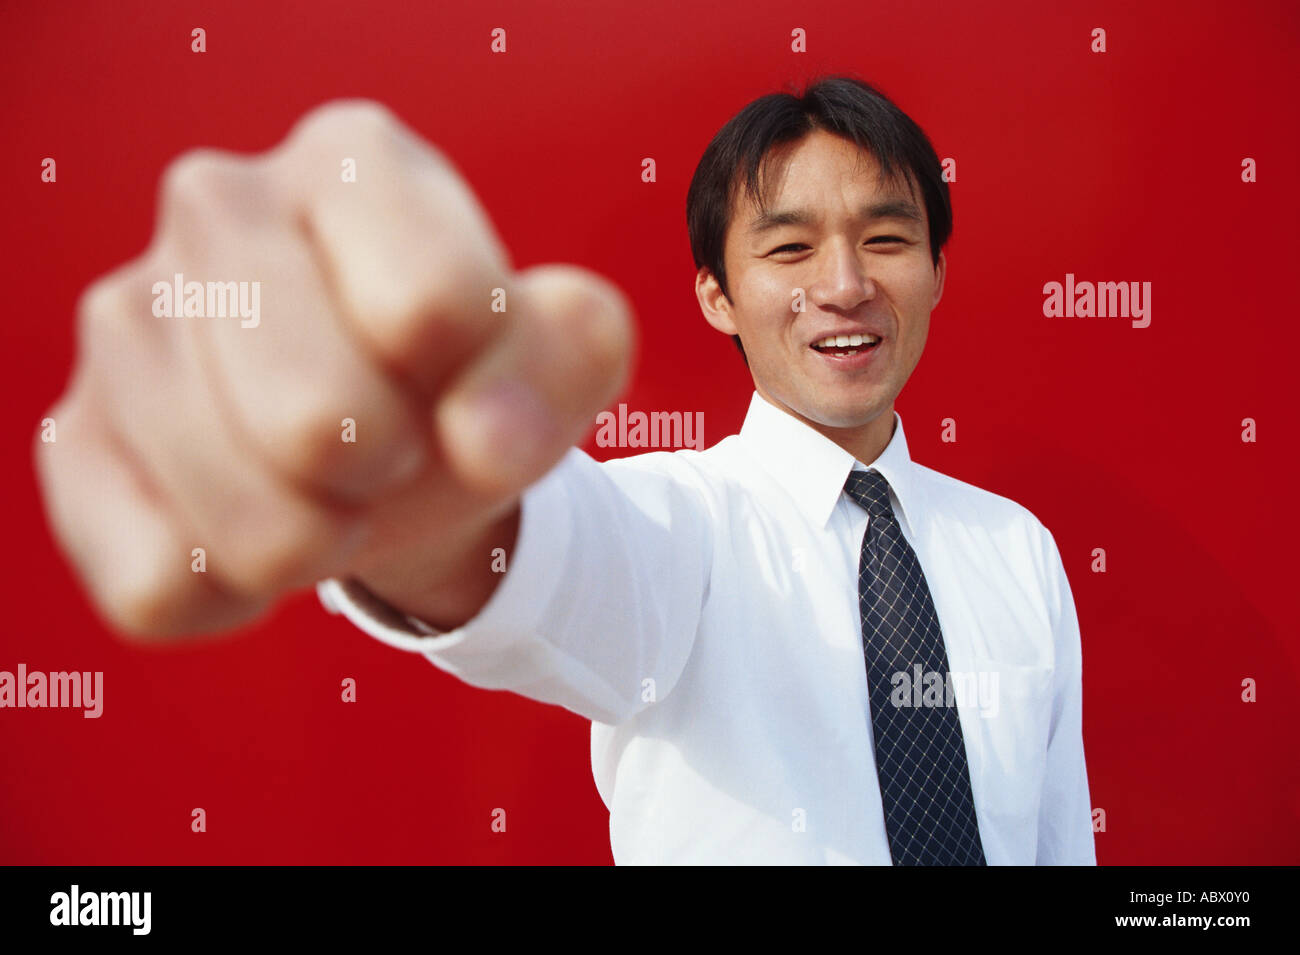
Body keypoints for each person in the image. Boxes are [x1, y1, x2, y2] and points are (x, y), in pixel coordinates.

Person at [35, 74, 1095, 865]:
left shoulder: (1017, 549)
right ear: (715, 297)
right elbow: (565, 559)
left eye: (886, 237)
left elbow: (1056, 840)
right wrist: (420, 497)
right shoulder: (682, 521)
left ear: (939, 270)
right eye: (786, 250)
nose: (847, 284)